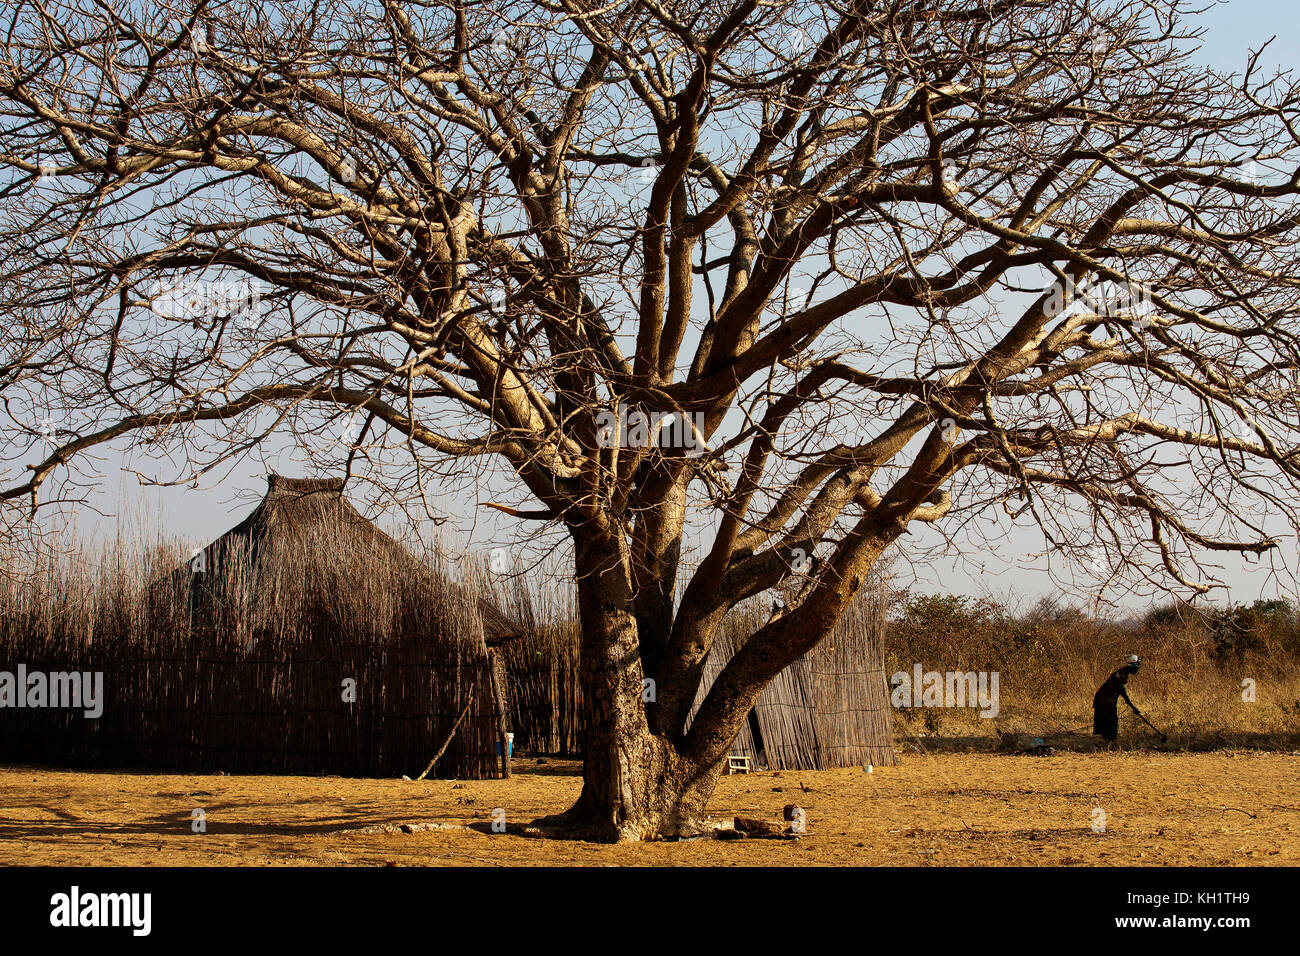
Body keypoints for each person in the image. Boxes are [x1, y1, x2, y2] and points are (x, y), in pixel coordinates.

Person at [1092, 654, 1146, 744]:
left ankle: (1109, 742)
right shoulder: (1121, 675)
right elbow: (1123, 693)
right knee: (1111, 722)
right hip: (1104, 701)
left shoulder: (1123, 673)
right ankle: (1110, 743)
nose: (1137, 669)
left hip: (1107, 700)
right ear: (1133, 666)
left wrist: (1133, 707)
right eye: (1137, 667)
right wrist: (1133, 708)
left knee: (1110, 721)